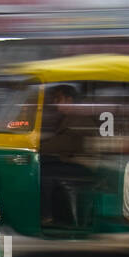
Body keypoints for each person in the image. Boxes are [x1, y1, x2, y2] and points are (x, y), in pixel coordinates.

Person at [38, 84, 92, 228]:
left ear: (69, 100)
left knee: (43, 173)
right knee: (42, 163)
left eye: (58, 99)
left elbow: (62, 144)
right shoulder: (68, 118)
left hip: (84, 166)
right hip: (71, 161)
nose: (56, 102)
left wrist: (36, 147)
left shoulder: (78, 119)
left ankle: (46, 216)